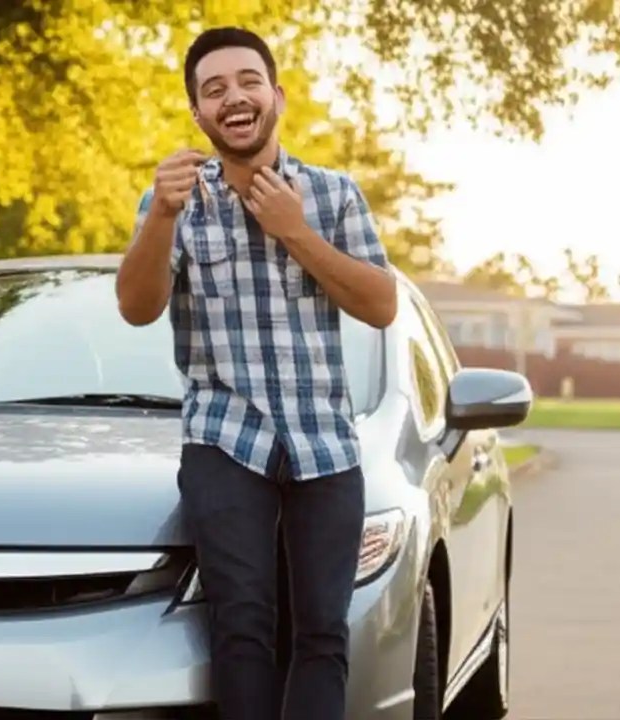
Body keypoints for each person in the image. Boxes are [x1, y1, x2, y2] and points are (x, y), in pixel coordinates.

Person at [114, 25, 399, 720]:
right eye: (214, 90)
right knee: (241, 627)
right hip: (224, 439)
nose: (233, 98)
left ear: (277, 96)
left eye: (247, 82)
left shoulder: (333, 196)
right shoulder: (174, 203)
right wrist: (160, 218)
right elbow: (135, 307)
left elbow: (381, 303)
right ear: (199, 114)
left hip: (323, 445)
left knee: (322, 634)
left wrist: (295, 231)